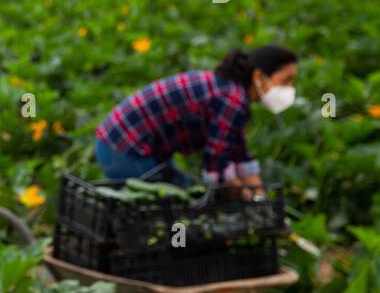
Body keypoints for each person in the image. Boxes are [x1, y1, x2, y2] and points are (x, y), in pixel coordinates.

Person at [95, 45, 298, 187]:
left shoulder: (233, 94)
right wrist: (243, 195)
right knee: (167, 209)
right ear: (258, 76)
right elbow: (216, 161)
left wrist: (257, 196)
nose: (290, 89)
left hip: (127, 144)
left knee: (186, 192)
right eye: (286, 80)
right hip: (124, 148)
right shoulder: (231, 99)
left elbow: (238, 152)